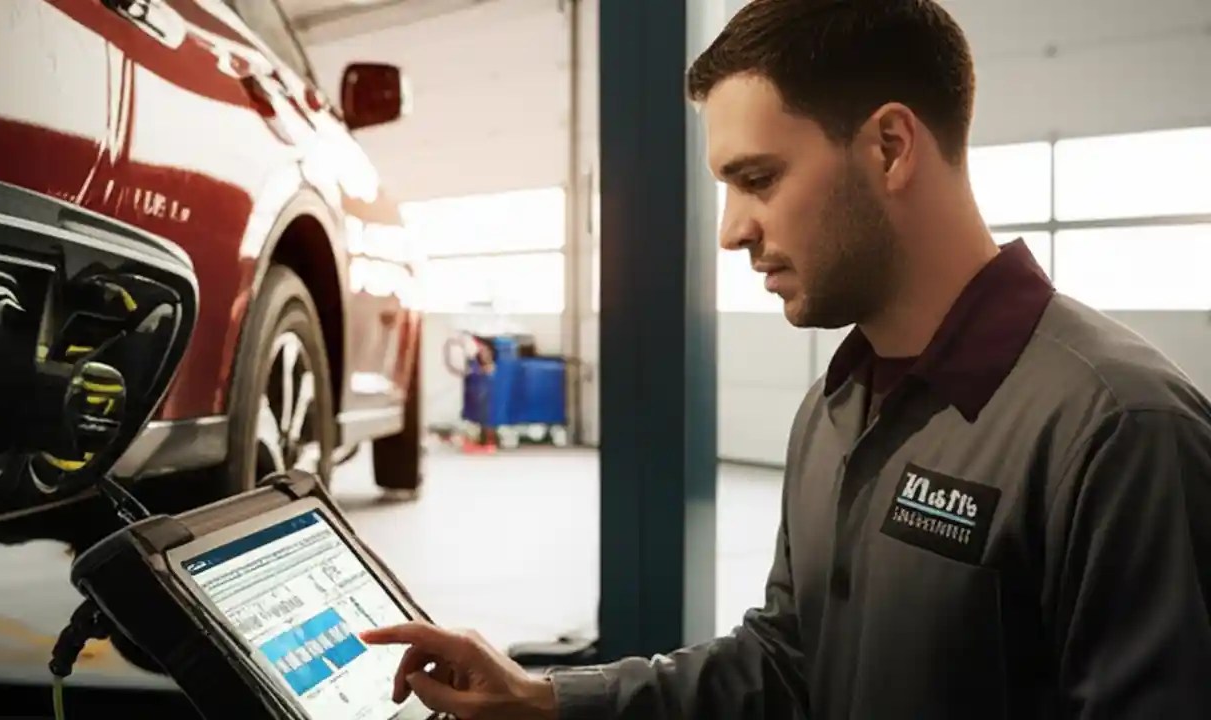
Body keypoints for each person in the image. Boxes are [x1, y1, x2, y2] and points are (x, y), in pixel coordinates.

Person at [360, 0, 1211, 717]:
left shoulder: (1118, 431)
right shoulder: (839, 407)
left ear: (889, 147)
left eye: (758, 179)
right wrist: (549, 700)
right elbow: (788, 662)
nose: (731, 229)